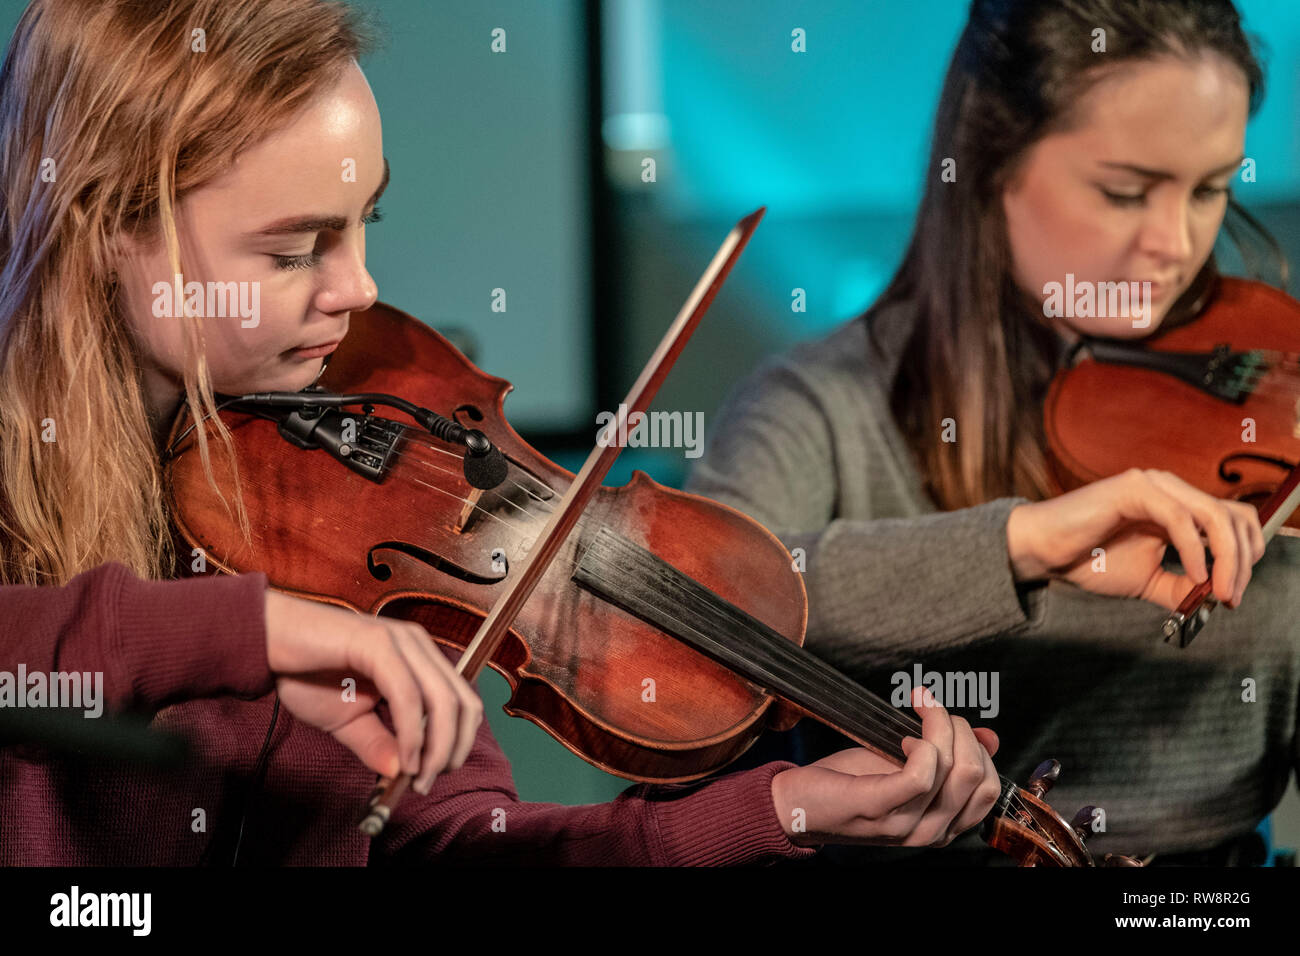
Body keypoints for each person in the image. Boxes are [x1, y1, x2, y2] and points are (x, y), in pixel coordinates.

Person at [0, 0, 1261, 866]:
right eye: (297, 248)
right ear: (117, 224)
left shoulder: (361, 454)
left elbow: (472, 846)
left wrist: (781, 808)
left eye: (366, 223)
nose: (364, 291)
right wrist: (258, 629)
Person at [688, 0, 1295, 865]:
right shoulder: (820, 402)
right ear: (990, 167)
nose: (1175, 244)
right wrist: (1019, 544)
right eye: (1125, 191)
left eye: (1210, 189)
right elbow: (694, 603)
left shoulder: (1268, 405)